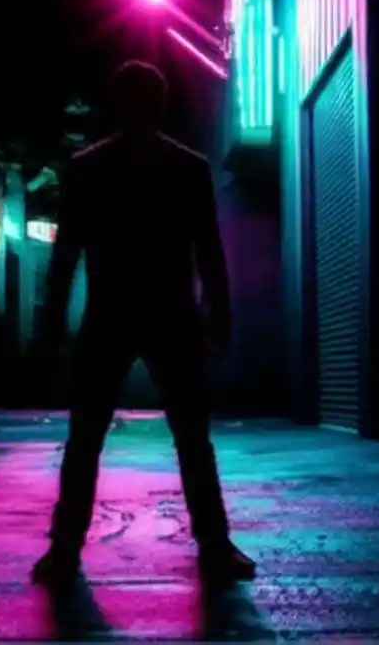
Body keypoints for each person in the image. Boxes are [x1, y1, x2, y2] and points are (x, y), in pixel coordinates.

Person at [31, 60, 256, 584]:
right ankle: (215, 546)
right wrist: (217, 316)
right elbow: (209, 252)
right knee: (191, 437)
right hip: (170, 313)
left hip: (110, 313)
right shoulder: (188, 167)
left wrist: (49, 327)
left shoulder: (86, 169)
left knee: (86, 437)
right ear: (161, 103)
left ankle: (65, 548)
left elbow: (65, 255)